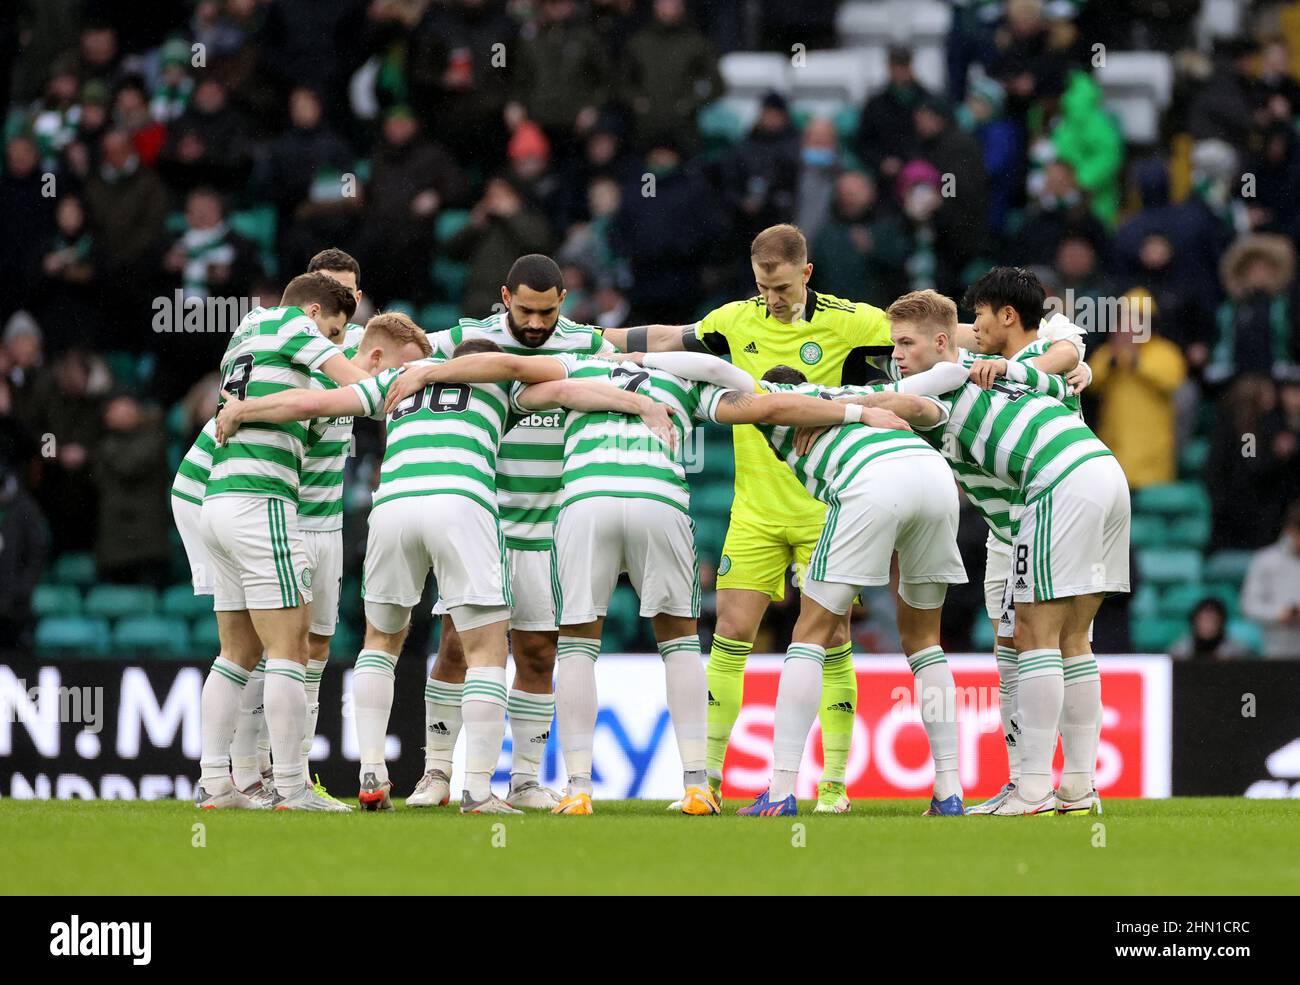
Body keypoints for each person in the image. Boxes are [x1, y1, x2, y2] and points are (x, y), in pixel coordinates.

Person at [219, 338, 674, 813]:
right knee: (485, 652)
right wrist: (639, 402)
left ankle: (371, 772)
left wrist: (244, 411)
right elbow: (567, 392)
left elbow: (313, 401)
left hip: (393, 505)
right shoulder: (500, 387)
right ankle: (477, 790)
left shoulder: (399, 381)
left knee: (380, 640)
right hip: (461, 502)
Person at [599, 223, 902, 812]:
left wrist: (1017, 343)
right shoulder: (736, 319)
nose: (773, 297)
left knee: (832, 642)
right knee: (731, 636)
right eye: (764, 286)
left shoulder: (851, 320)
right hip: (756, 511)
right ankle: (707, 781)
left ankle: (834, 787)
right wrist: (583, 337)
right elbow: (667, 337)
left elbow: (928, 335)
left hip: (825, 507)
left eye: (783, 286)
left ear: (807, 274)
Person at [859, 282, 1129, 816]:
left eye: (980, 316)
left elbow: (1065, 344)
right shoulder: (978, 364)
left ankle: (1032, 789)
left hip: (1050, 495)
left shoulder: (1019, 359)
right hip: (1084, 484)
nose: (895, 356)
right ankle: (1072, 786)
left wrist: (832, 406)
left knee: (1036, 639)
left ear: (1006, 316)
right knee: (1058, 643)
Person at [411, 255, 615, 812]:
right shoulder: (462, 338)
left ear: (563, 303)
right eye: (525, 309)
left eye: (546, 312)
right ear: (504, 296)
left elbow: (637, 364)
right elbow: (394, 352)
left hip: (550, 523)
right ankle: (436, 772)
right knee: (457, 643)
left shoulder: (584, 344)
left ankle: (524, 779)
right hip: (485, 518)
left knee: (539, 653)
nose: (535, 323)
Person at [192, 273, 366, 812]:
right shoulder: (294, 325)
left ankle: (217, 784)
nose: (335, 340)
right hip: (260, 499)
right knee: (290, 648)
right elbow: (352, 383)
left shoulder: (246, 328)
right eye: (335, 329)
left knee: (236, 653)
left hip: (217, 499)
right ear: (313, 312)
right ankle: (292, 786)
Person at [1240, 500, 1300, 658]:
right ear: (1290, 529)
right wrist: (1279, 614)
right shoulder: (1265, 560)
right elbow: (1249, 606)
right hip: (1275, 652)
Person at [1170, 598, 1251, 660]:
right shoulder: (1180, 650)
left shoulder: (1237, 651)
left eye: (1212, 620)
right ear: (1194, 622)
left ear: (1221, 623)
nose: (1207, 625)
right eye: (1203, 620)